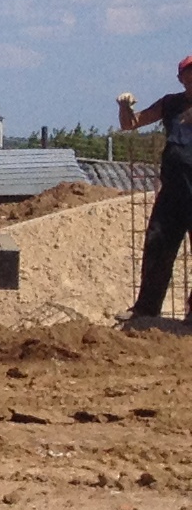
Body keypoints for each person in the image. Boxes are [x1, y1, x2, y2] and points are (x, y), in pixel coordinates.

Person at [115, 57, 192, 324]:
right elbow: (130, 124)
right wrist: (124, 107)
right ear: (181, 78)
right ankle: (146, 309)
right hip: (173, 191)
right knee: (158, 246)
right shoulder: (170, 103)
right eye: (189, 73)